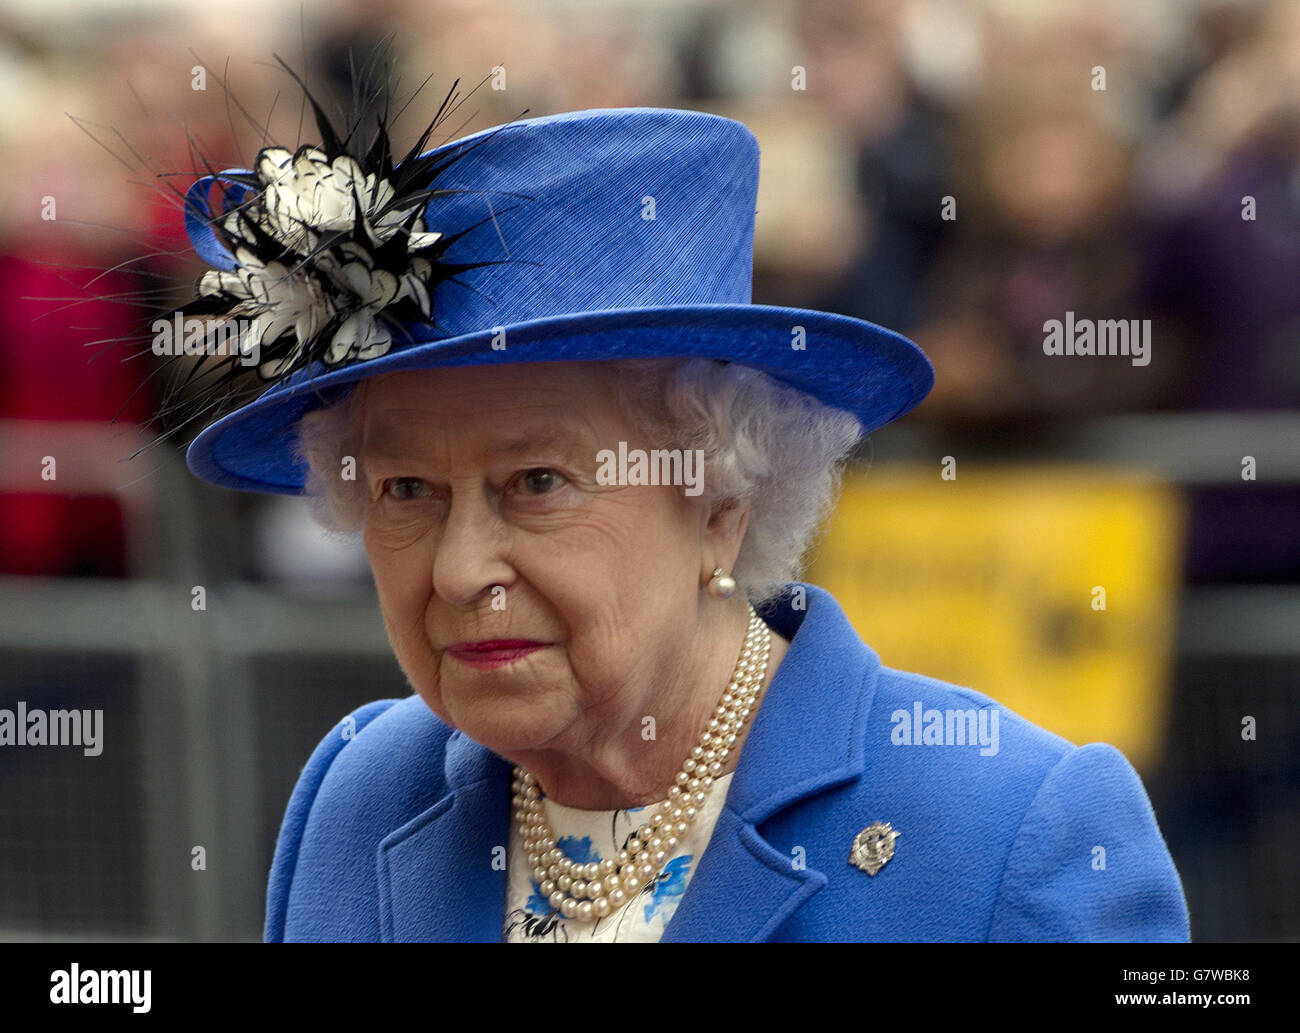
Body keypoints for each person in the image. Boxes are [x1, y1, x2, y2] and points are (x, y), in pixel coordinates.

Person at [172, 99, 1189, 942]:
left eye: (535, 481)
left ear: (721, 504)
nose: (457, 569)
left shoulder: (1012, 829)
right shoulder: (361, 797)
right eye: (405, 491)